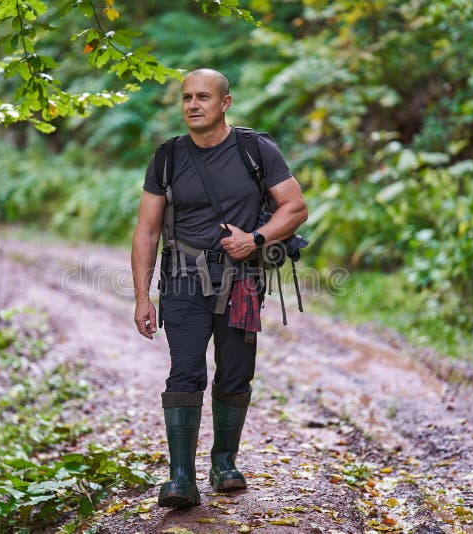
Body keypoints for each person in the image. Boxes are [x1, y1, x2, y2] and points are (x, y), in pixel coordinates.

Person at [130, 68, 307, 508]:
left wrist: (257, 239)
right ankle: (181, 478)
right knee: (185, 371)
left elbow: (295, 207)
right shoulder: (167, 158)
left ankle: (224, 463)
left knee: (235, 373)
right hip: (183, 282)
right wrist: (141, 296)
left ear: (224, 103)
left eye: (203, 97)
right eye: (187, 97)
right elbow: (146, 231)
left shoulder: (255, 150)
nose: (193, 104)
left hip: (242, 281)